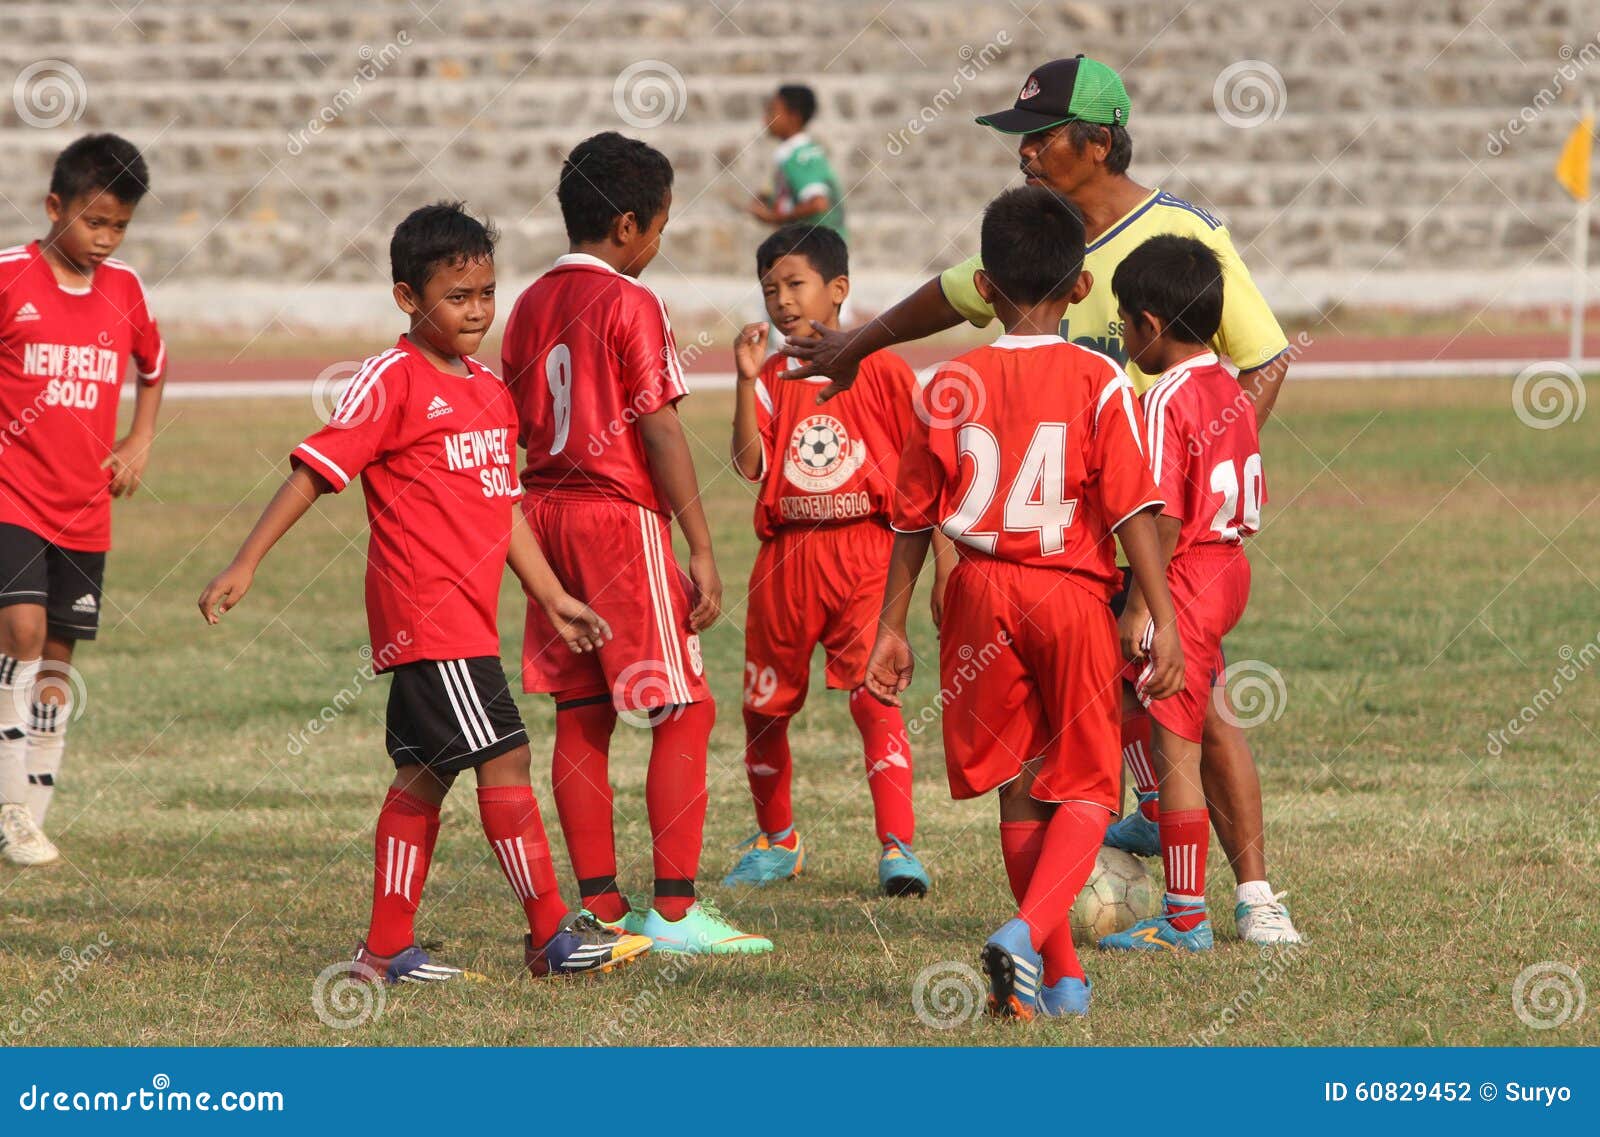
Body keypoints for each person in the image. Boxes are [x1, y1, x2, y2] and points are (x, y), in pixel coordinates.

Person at [781, 56, 1292, 933]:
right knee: (1102, 706)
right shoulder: (1039, 239)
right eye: (1018, 137)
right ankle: (1115, 864)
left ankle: (1253, 896)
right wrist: (855, 345)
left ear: (1096, 144)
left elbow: (1264, 358)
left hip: (1155, 529)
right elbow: (951, 295)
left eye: (1039, 136)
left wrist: (1196, 474)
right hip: (1069, 544)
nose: (1022, 152)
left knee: (1193, 710)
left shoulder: (1181, 234)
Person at [198, 202, 652, 982]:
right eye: (457, 296)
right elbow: (316, 471)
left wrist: (551, 595)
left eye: (487, 293)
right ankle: (550, 936)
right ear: (408, 298)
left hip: (467, 618)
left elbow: (503, 505)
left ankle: (385, 950)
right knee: (507, 756)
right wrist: (247, 562)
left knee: (424, 774)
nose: (476, 311)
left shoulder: (489, 389)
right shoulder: (392, 378)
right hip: (428, 613)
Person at [865, 186, 1185, 1019]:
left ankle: (1062, 980)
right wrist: (1161, 613)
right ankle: (1024, 933)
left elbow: (912, 518)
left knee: (1018, 781)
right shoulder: (1099, 377)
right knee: (1088, 785)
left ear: (985, 287)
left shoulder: (946, 381)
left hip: (976, 592)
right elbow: (1132, 508)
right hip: (1067, 588)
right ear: (1081, 286)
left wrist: (890, 625)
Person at [502, 133, 771, 955]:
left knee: (582, 707)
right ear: (627, 225)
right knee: (684, 705)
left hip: (544, 514)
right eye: (659, 227)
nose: (657, 243)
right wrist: (700, 545)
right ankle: (677, 914)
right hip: (617, 517)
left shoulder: (527, 304)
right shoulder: (631, 301)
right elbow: (658, 427)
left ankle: (601, 906)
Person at [1098, 236, 1301, 949]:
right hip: (1229, 564)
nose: (1124, 338)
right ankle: (1158, 817)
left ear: (1150, 324)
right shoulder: (1229, 388)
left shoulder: (1163, 399)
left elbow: (1163, 514)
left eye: (1125, 323)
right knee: (1141, 692)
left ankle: (1185, 915)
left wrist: (1141, 604)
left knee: (1176, 739)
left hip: (1184, 573)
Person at [721, 223, 927, 896]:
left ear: (838, 289)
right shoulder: (769, 375)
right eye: (769, 289)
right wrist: (744, 380)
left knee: (875, 697)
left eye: (795, 284)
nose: (781, 300)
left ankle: (898, 846)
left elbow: (923, 469)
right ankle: (778, 839)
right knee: (764, 707)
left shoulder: (883, 368)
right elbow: (749, 463)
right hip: (786, 559)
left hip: (866, 552)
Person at [0, 134, 167, 866]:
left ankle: (32, 817)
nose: (105, 238)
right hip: (12, 495)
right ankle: (8, 808)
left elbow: (153, 368)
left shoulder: (125, 290)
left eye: (119, 226)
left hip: (84, 506)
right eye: (93, 221)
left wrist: (139, 440)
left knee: (56, 666)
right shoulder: (10, 277)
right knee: (23, 631)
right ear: (53, 206)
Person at [744, 84, 847, 241]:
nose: (766, 119)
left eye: (772, 111)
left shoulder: (800, 157)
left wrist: (773, 218)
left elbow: (818, 203)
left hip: (815, 248)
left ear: (794, 117)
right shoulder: (799, 153)